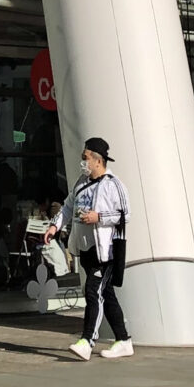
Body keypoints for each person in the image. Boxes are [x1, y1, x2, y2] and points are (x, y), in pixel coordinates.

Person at [63, 138, 131, 361]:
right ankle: (123, 340)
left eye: (85, 157)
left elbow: (125, 215)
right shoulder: (81, 183)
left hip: (106, 251)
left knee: (93, 291)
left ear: (98, 160)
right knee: (105, 294)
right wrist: (55, 225)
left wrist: (98, 217)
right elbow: (68, 206)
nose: (82, 162)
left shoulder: (113, 184)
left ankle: (87, 341)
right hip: (86, 249)